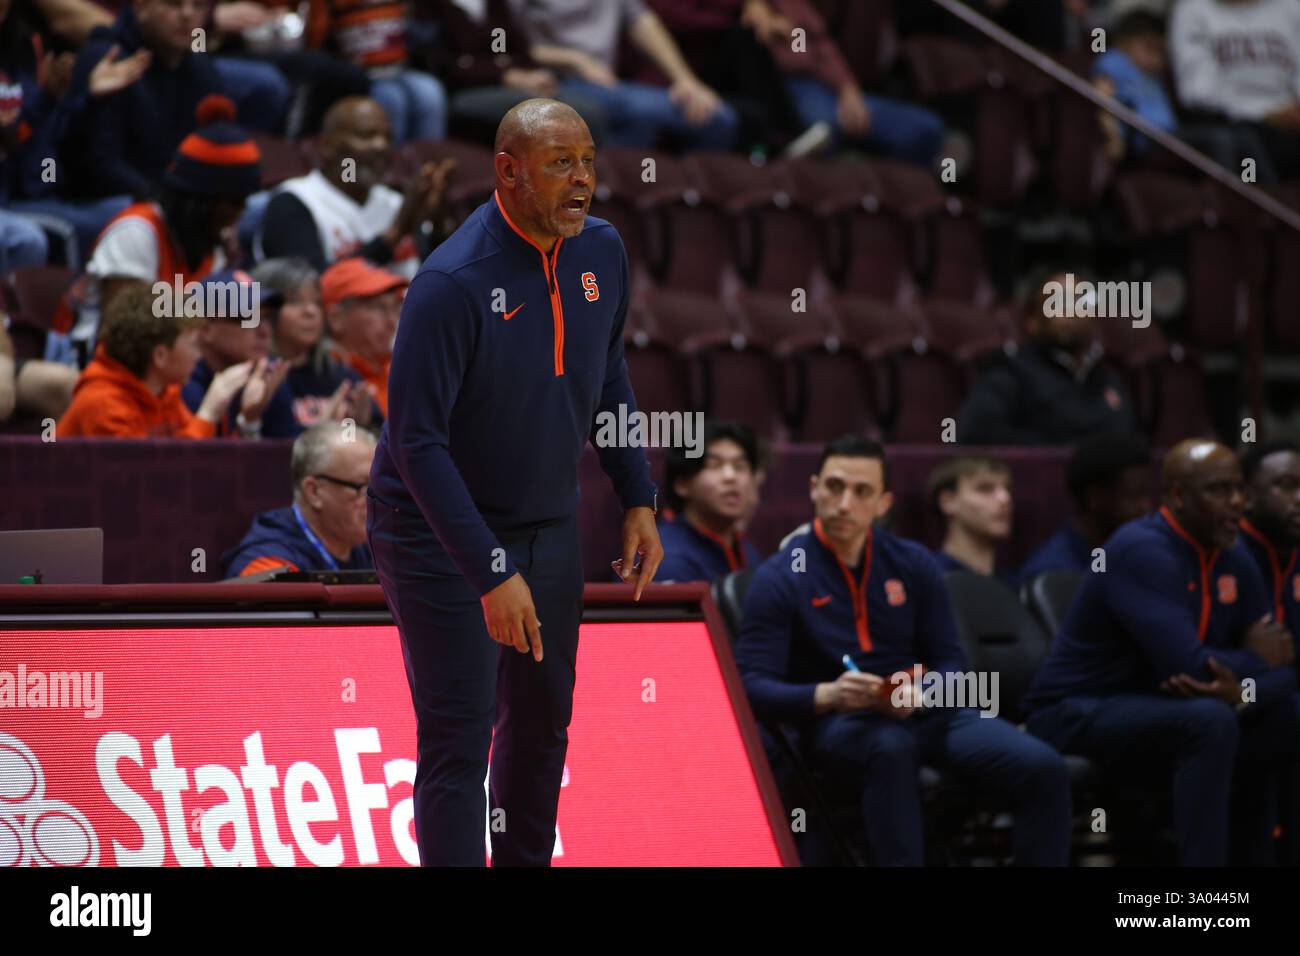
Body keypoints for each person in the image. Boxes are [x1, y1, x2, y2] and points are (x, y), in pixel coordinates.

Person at [366, 98, 663, 866]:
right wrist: (489, 573)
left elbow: (611, 376)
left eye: (589, 161)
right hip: (436, 531)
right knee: (459, 739)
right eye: (561, 162)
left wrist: (637, 495)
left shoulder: (602, 251)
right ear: (508, 169)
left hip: (548, 526)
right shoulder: (451, 283)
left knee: (539, 734)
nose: (582, 181)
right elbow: (417, 444)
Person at [735, 434, 1071, 866]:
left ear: (884, 502)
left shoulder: (913, 562)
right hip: (840, 723)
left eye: (862, 492)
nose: (844, 504)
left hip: (923, 712)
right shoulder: (781, 575)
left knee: (1043, 766)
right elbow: (750, 687)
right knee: (890, 749)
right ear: (814, 487)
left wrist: (925, 693)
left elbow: (954, 663)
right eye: (834, 487)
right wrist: (827, 695)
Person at [1025, 439, 1297, 866]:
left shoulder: (1232, 551)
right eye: (1219, 490)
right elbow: (1193, 668)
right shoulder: (1142, 549)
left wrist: (1243, 691)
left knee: (1286, 713)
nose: (1238, 503)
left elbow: (1288, 666)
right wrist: (1256, 664)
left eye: (1241, 489)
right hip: (1077, 709)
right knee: (1209, 720)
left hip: (1159, 706)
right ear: (1177, 497)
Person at [51, 94, 261, 369]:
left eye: (244, 202)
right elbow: (123, 335)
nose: (239, 214)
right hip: (94, 370)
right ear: (200, 201)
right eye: (232, 203)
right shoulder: (136, 233)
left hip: (169, 371)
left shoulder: (215, 244)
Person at [255, 95, 452, 275]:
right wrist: (396, 233)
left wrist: (438, 222)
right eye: (366, 136)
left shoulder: (396, 202)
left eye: (388, 137)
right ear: (327, 147)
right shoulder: (295, 202)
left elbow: (438, 276)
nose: (381, 146)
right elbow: (312, 289)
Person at [508, 0, 738, 151]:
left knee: (718, 118)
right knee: (640, 115)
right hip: (554, 81)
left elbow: (641, 21)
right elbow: (509, 44)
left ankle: (685, 204)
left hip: (608, 85)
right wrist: (575, 60)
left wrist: (685, 79)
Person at [55, 281, 273, 437]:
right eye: (193, 345)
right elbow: (155, 483)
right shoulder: (104, 405)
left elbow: (211, 471)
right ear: (160, 355)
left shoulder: (165, 393)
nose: (198, 355)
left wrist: (247, 420)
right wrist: (208, 413)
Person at [56, 0, 223, 200]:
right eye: (173, 4)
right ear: (141, 7)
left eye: (198, 5)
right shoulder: (107, 60)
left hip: (173, 197)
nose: (187, 14)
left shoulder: (201, 67)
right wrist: (164, 200)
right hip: (105, 200)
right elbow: (100, 166)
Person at [956, 268, 1138, 445]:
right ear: (1032, 321)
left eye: (1082, 302)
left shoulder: (1108, 378)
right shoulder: (1009, 373)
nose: (1072, 310)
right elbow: (976, 434)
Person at [419, 0, 610, 146]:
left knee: (588, 111)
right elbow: (445, 65)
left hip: (509, 84)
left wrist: (530, 76)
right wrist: (505, 74)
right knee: (558, 115)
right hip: (464, 90)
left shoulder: (493, 4)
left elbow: (520, 51)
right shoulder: (433, 6)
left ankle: (586, 187)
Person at [1239, 439, 1300, 864]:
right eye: (1285, 486)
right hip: (1240, 702)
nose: (1299, 499)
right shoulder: (1226, 553)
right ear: (1246, 495)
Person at [223, 420, 376, 576]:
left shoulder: (374, 550)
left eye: (379, 487)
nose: (377, 502)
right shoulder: (269, 566)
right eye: (362, 486)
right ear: (314, 492)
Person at [1169, 0, 1300, 182]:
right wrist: (1266, 115)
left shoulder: (1291, 6)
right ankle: (1258, 201)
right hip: (1236, 123)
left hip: (1290, 118)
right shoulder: (1194, 9)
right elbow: (1196, 92)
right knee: (1247, 150)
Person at [252, 256, 379, 433]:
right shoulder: (255, 379)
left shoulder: (341, 378)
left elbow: (359, 447)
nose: (310, 311)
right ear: (263, 310)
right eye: (295, 301)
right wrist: (322, 432)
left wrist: (358, 429)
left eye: (316, 303)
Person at [305, 0, 447, 143]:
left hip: (398, 69)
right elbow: (315, 41)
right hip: (359, 74)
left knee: (430, 90)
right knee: (392, 98)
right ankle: (388, 160)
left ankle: (429, 161)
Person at [1018, 432, 1152, 582]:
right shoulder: (1052, 574)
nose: (1145, 507)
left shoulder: (1126, 555)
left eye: (1146, 495)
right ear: (1095, 498)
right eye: (1133, 496)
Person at [179, 268, 294, 438]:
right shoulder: (183, 385)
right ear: (205, 329)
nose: (264, 331)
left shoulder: (270, 380)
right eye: (248, 318)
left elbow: (284, 460)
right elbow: (192, 463)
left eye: (267, 318)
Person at [655, 420, 762, 583]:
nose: (730, 476)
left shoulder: (748, 552)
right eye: (714, 465)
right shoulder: (664, 559)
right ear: (682, 484)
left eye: (740, 466)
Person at [320, 256, 405, 418]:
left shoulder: (403, 372)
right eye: (379, 307)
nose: (392, 321)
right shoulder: (324, 380)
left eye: (395, 307)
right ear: (336, 318)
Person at [927, 454, 1018, 587]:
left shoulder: (1014, 586)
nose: (1004, 499)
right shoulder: (927, 577)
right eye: (985, 489)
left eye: (1007, 489)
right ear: (948, 501)